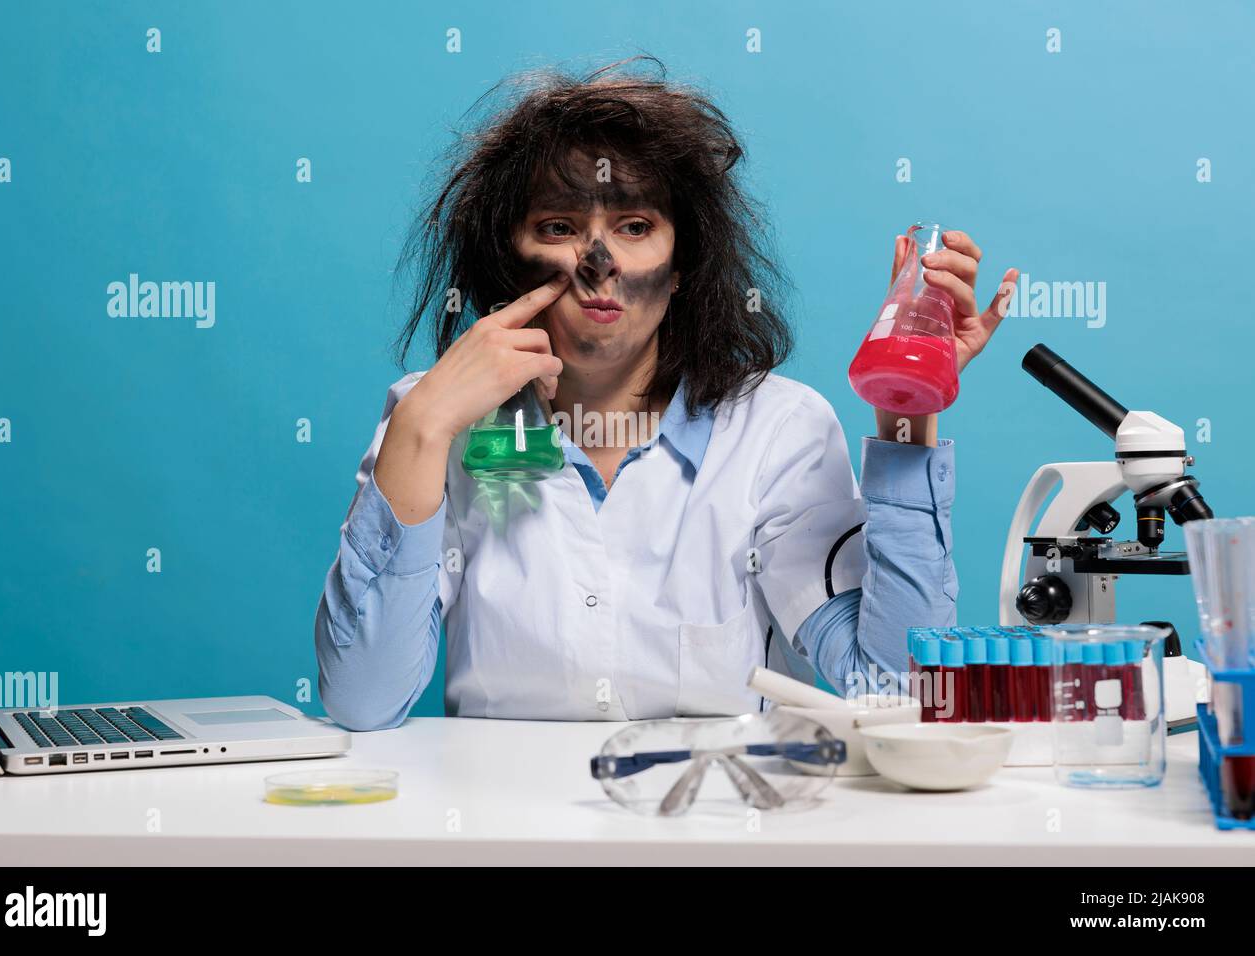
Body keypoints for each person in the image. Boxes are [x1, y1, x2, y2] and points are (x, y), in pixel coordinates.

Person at [315, 59, 1016, 730]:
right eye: (558, 228)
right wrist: (424, 422)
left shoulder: (777, 430)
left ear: (684, 266)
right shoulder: (434, 418)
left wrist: (907, 406)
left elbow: (891, 691)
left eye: (635, 227)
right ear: (509, 259)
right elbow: (362, 702)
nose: (599, 263)